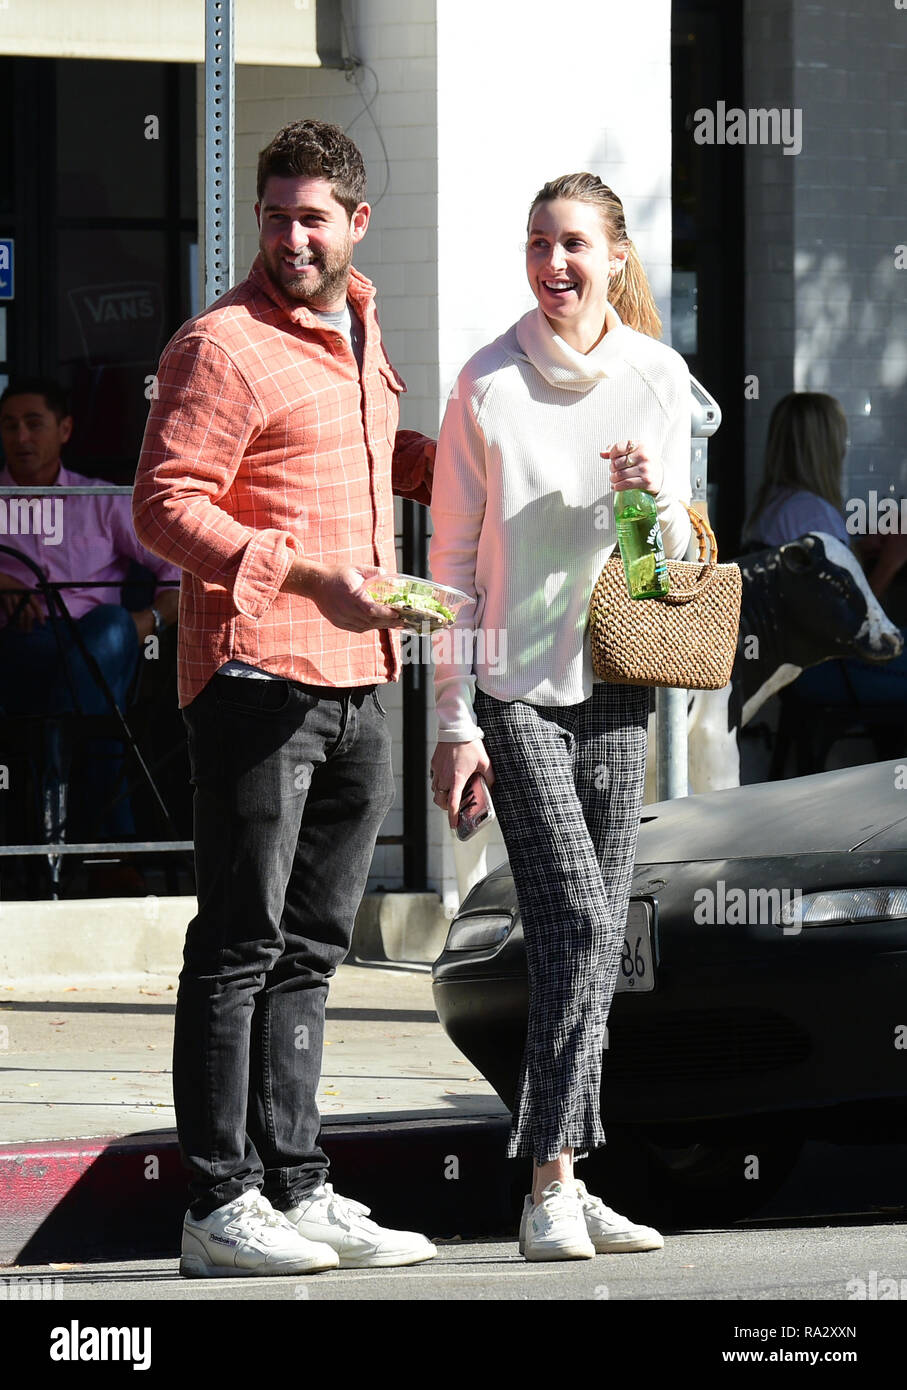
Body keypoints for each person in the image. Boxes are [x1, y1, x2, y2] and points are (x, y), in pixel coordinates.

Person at [133, 120, 438, 1278]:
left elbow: (362, 458)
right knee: (239, 945)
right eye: (273, 213)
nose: (290, 235)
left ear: (357, 225)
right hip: (258, 677)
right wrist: (303, 569)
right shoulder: (219, 345)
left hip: (362, 677)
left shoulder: (360, 325)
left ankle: (297, 1184)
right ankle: (218, 1202)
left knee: (312, 948)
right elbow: (162, 505)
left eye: (312, 216)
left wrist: (454, 461)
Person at [428, 172, 692, 1260]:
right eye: (538, 242)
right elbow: (448, 564)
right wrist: (453, 721)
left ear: (616, 259)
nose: (554, 263)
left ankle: (569, 1182)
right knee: (578, 923)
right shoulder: (485, 384)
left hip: (618, 683)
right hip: (515, 691)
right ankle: (545, 1179)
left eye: (575, 244)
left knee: (593, 942)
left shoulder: (656, 379)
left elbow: (660, 569)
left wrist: (643, 500)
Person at [0, 378, 180, 850]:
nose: (21, 438)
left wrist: (148, 624)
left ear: (64, 429)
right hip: (18, 655)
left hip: (99, 646)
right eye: (9, 426)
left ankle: (55, 765)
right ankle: (111, 848)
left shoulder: (101, 500)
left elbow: (180, 575)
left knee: (109, 630)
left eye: (33, 424)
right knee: (101, 712)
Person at [743, 390, 907, 707]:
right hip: (829, 673)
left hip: (792, 677)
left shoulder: (777, 505)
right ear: (825, 447)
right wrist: (891, 561)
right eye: (840, 438)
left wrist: (856, 550)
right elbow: (853, 627)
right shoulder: (814, 512)